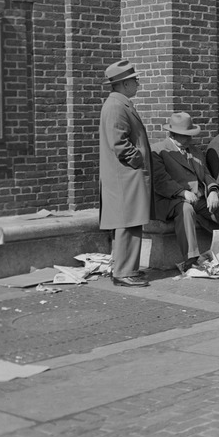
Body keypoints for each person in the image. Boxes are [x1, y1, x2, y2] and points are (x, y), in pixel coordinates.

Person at [150, 112, 219, 272]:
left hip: (200, 198)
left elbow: (206, 174)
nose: (190, 139)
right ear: (173, 134)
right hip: (171, 200)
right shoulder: (158, 151)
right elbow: (160, 181)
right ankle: (191, 259)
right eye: (185, 135)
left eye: (190, 134)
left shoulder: (195, 151)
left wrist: (213, 190)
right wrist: (182, 193)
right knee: (186, 209)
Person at [98, 60, 155, 287]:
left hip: (127, 176)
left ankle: (128, 268)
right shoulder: (115, 106)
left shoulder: (121, 103)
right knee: (126, 223)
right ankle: (123, 272)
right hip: (125, 176)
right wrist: (138, 160)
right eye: (134, 80)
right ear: (123, 84)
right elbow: (119, 143)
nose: (137, 84)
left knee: (131, 222)